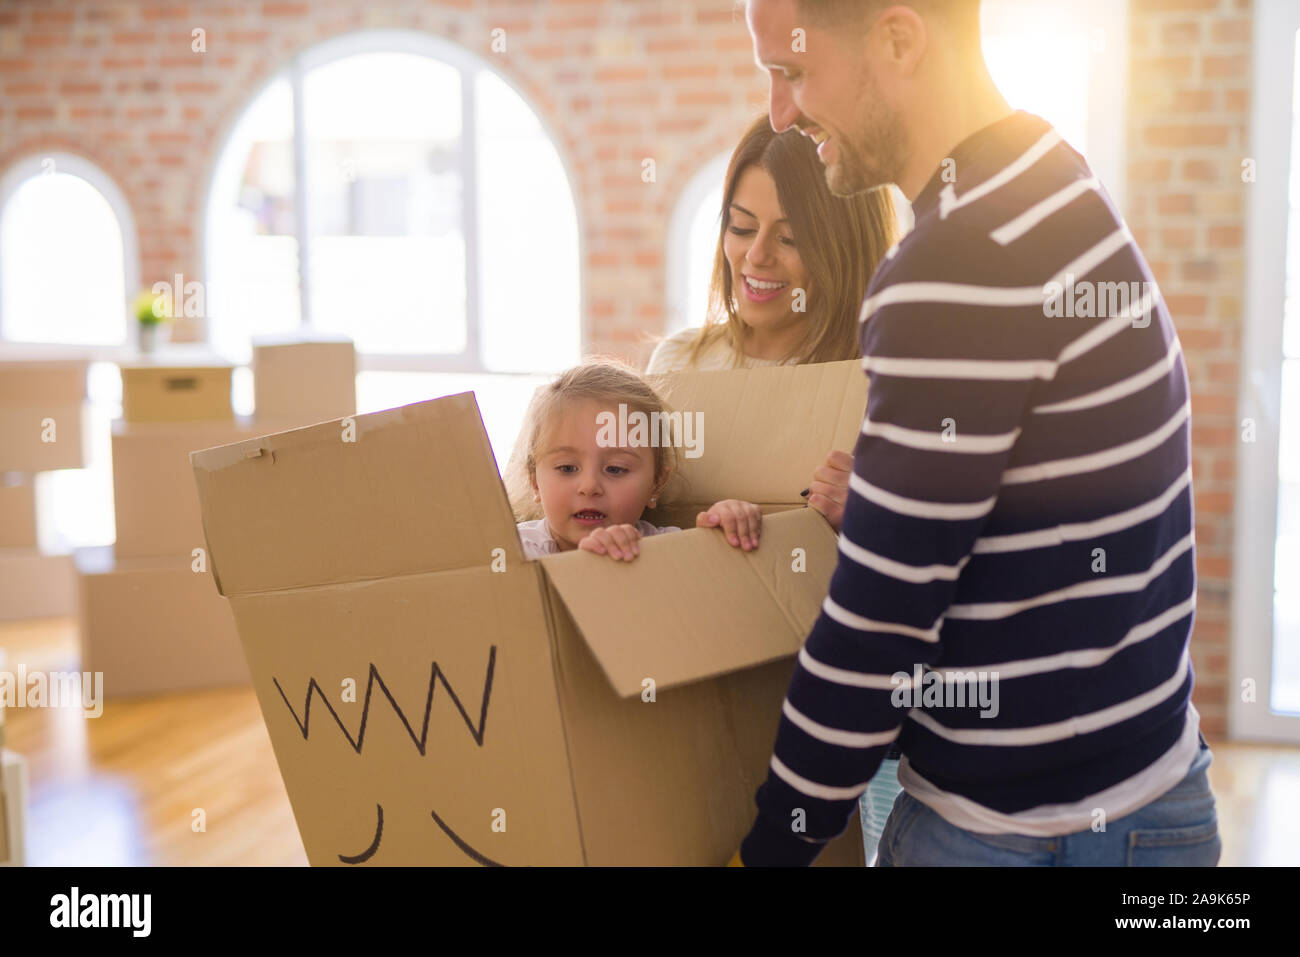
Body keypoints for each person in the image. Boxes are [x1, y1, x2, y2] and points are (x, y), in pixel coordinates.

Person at [731, 0, 1219, 867]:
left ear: (899, 37)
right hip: (1163, 808)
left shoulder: (949, 263)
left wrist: (774, 844)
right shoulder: (1055, 174)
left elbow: (880, 621)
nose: (781, 113)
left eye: (794, 72)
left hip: (999, 840)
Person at [646, 111, 905, 861]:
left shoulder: (881, 382)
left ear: (840, 245)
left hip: (838, 739)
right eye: (739, 225)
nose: (756, 258)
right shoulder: (677, 364)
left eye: (790, 238)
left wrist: (872, 517)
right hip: (694, 717)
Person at [505, 360, 763, 561]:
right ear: (534, 482)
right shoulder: (516, 552)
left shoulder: (666, 550)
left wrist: (724, 530)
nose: (589, 486)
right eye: (567, 468)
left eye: (615, 469)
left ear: (656, 484)